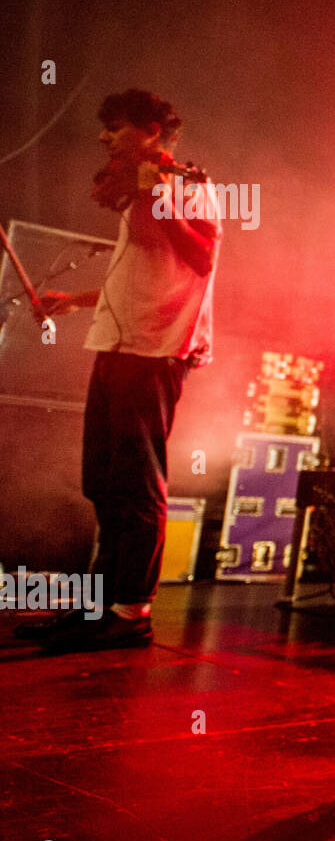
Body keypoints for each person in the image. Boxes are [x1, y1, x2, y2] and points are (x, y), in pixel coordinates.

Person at [22, 89, 220, 652]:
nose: (103, 137)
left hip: (154, 350)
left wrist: (156, 193)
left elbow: (202, 256)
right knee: (104, 481)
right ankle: (99, 607)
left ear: (151, 131)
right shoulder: (140, 193)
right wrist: (74, 300)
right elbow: (136, 270)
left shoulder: (188, 185)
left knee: (137, 483)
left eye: (115, 126)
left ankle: (131, 612)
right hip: (116, 344)